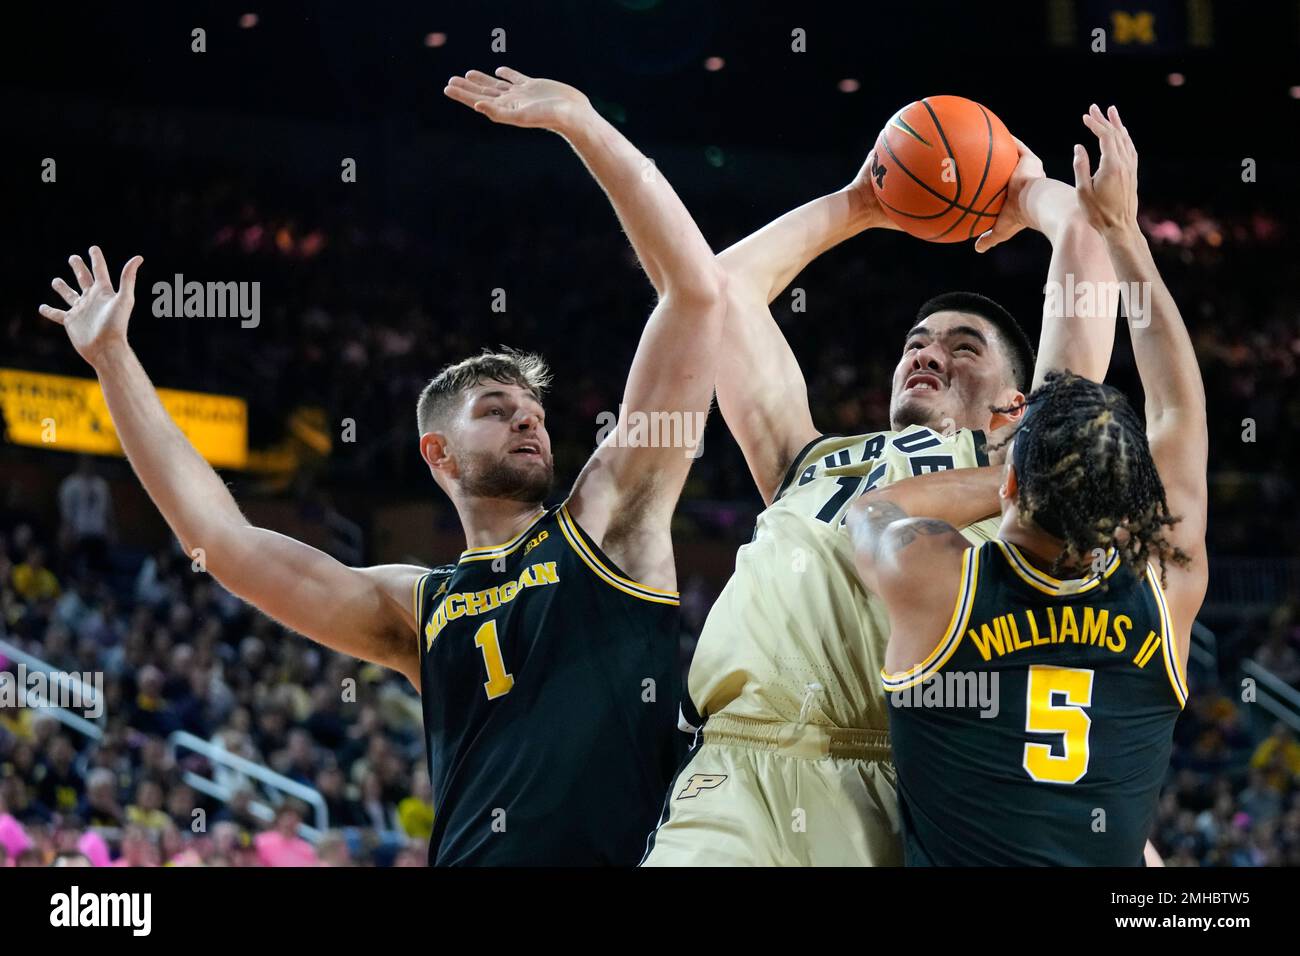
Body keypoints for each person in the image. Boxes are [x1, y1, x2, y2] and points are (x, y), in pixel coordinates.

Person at [39, 66, 723, 866]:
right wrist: (115, 360)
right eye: (496, 410)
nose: (527, 418)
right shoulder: (416, 605)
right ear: (438, 453)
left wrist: (586, 127)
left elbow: (693, 298)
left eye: (531, 410)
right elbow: (220, 542)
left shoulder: (610, 517)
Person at [643, 113, 1120, 865]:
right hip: (733, 763)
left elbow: (1085, 273)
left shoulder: (1027, 469)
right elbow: (713, 296)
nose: (930, 354)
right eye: (917, 344)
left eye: (964, 348)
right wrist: (860, 203)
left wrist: (1033, 192)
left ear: (1013, 406)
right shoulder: (808, 456)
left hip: (894, 781)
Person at [847, 106, 1207, 865]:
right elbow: (1178, 406)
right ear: (1127, 520)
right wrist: (1123, 236)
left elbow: (871, 507)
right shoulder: (1163, 587)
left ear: (1009, 480)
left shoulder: (938, 579)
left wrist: (1116, 228)